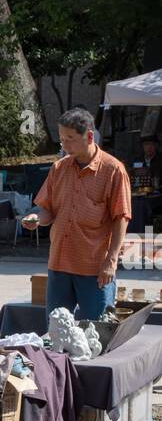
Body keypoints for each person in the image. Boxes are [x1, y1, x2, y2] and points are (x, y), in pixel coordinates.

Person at [23, 107, 131, 322]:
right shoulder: (58, 168)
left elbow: (121, 217)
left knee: (97, 331)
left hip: (94, 267)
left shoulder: (113, 170)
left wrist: (111, 260)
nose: (64, 145)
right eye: (62, 139)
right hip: (59, 264)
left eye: (70, 139)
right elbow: (48, 210)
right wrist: (37, 219)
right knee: (56, 328)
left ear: (89, 136)